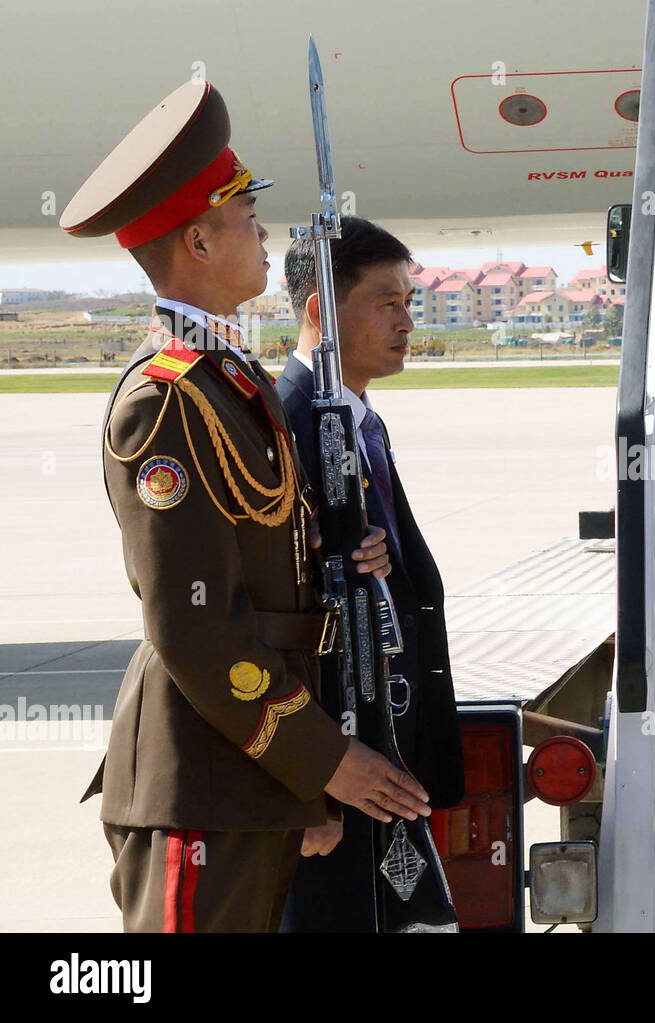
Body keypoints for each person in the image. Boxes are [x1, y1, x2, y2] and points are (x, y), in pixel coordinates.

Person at [62, 79, 432, 932]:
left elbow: (280, 587)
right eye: (246, 215)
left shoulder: (231, 381)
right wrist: (323, 761)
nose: (264, 233)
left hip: (249, 776)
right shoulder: (165, 399)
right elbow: (196, 625)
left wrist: (303, 781)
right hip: (201, 781)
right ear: (197, 239)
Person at [276, 216, 465, 932]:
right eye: (387, 303)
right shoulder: (286, 423)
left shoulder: (358, 421)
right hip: (331, 772)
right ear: (322, 309)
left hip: (379, 751)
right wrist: (304, 785)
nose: (407, 321)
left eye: (408, 302)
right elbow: (264, 623)